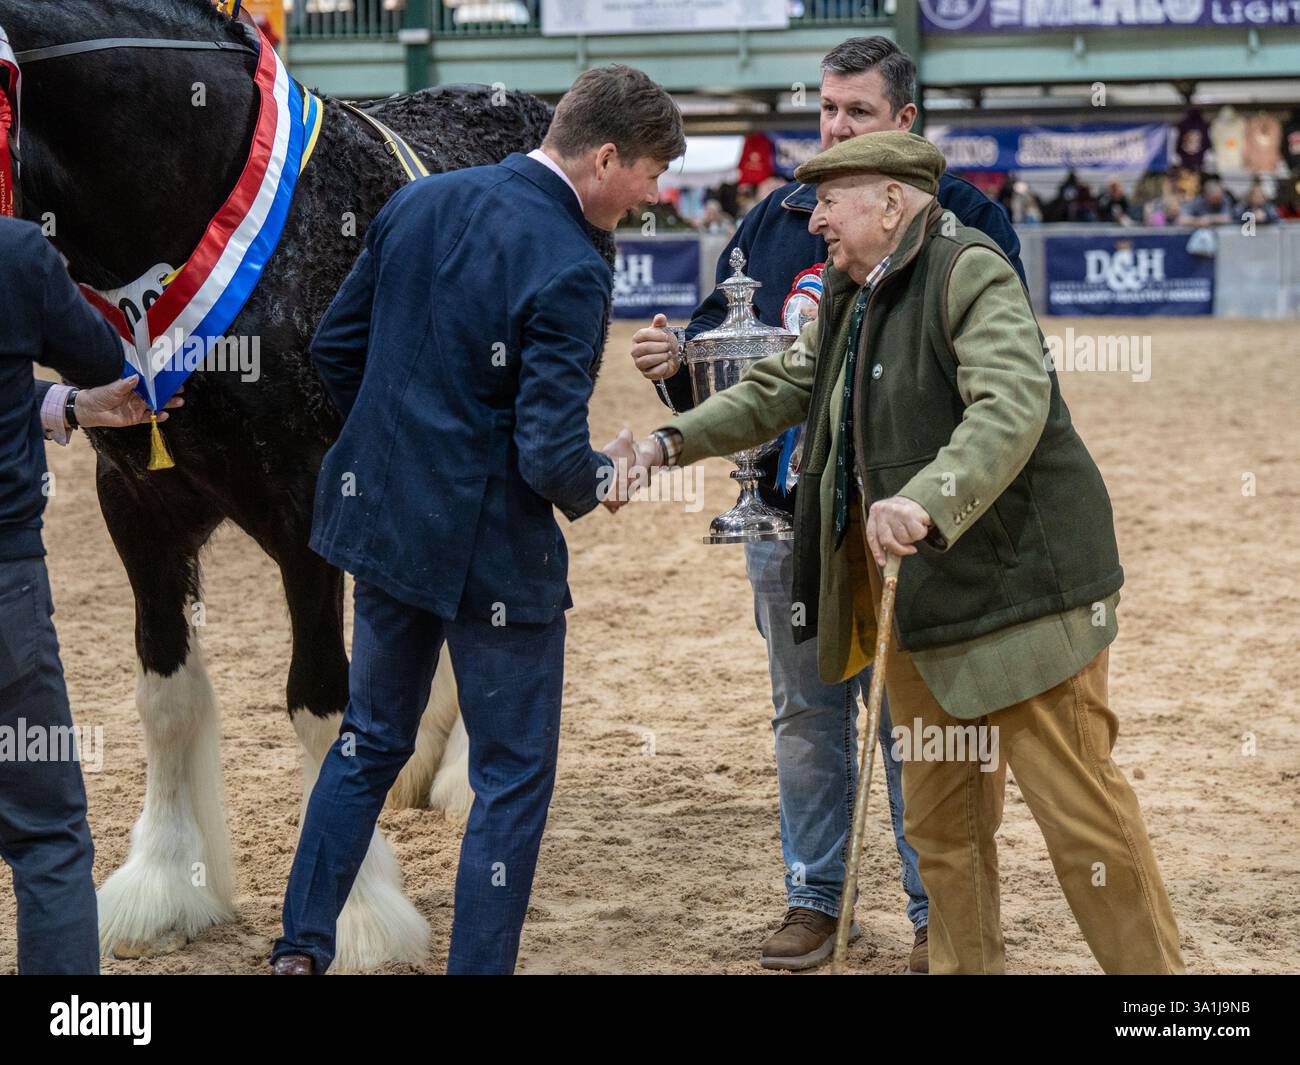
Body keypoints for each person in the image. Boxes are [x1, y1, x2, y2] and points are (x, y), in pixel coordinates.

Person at [631, 131, 1185, 975]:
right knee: (943, 833)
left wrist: (926, 499)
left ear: (892, 203)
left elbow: (1010, 403)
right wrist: (671, 442)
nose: (812, 219)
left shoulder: (972, 269)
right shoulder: (856, 289)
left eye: (829, 201)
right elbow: (783, 384)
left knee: (1084, 825)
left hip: (1025, 604)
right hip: (922, 608)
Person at [269, 65, 686, 976]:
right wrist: (606, 477)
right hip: (492, 552)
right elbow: (546, 455)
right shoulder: (575, 263)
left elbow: (339, 349)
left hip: (384, 522)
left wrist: (399, 439)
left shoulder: (422, 202)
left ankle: (301, 948)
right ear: (605, 155)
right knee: (510, 775)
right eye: (649, 173)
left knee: (370, 740)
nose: (653, 196)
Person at [625, 35, 1025, 974]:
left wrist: (930, 500)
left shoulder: (972, 227)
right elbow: (749, 371)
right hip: (790, 517)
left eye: (857, 113)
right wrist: (674, 379)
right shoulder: (775, 220)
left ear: (906, 126)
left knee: (913, 720)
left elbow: (998, 387)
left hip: (913, 529)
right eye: (827, 110)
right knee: (806, 715)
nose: (835, 128)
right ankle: (813, 896)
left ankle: (937, 913)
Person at [0, 216, 182, 974]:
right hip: (5, 589)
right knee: (46, 832)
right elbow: (103, 356)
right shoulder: (14, 253)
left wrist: (58, 408)